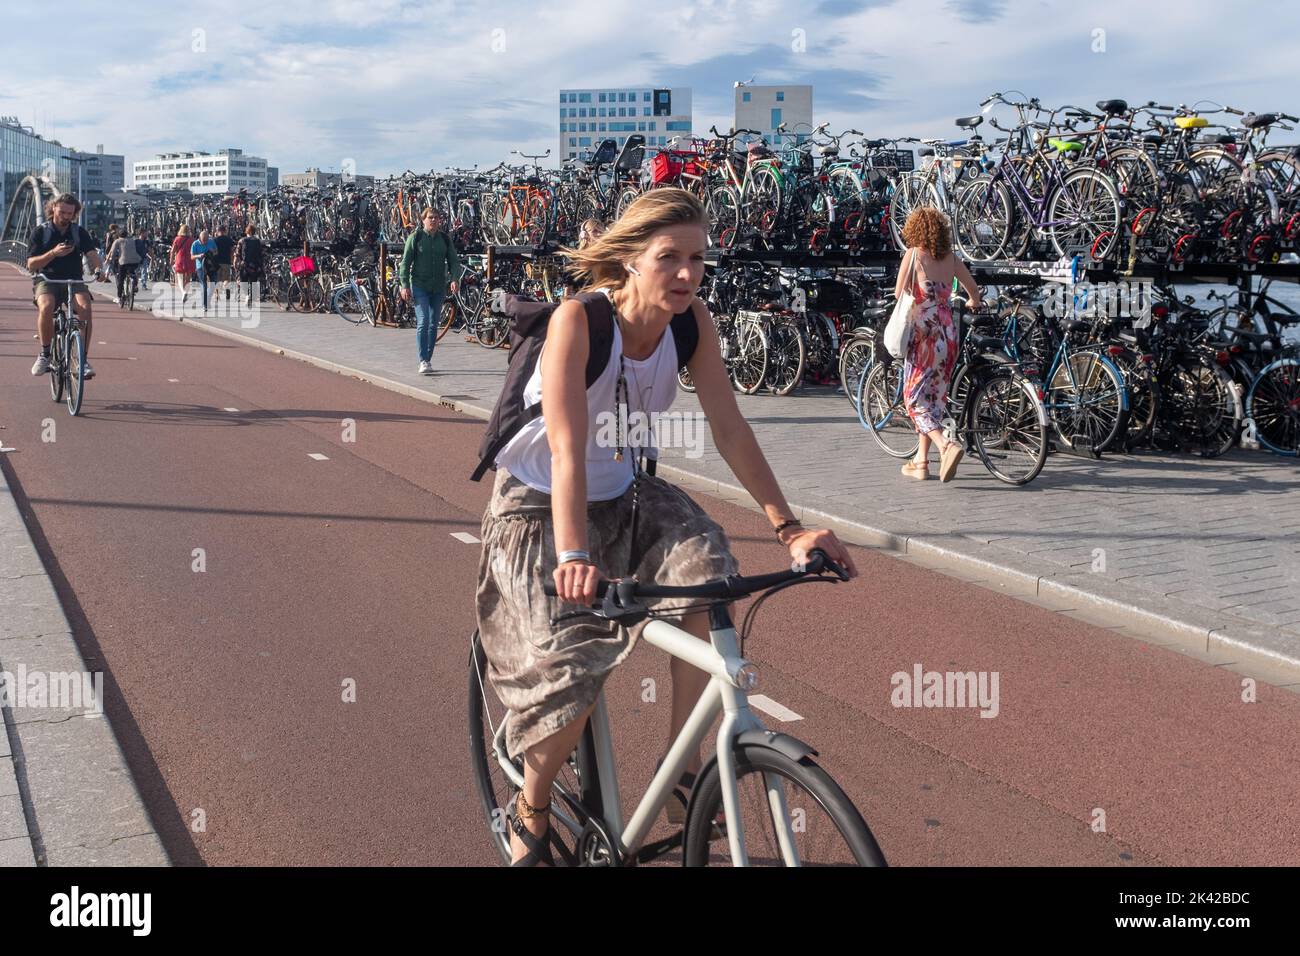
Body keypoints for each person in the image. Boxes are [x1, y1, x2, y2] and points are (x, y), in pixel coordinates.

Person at [475, 188, 859, 865]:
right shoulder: (579, 321)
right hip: (538, 505)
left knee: (709, 571)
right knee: (572, 658)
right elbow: (566, 449)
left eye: (698, 259)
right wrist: (573, 551)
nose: (686, 275)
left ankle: (682, 778)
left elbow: (730, 427)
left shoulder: (691, 322)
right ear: (628, 260)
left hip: (624, 493)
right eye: (669, 258)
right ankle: (529, 808)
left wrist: (789, 528)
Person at [895, 207, 982, 482]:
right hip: (948, 333)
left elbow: (900, 293)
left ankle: (946, 444)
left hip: (924, 334)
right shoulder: (952, 259)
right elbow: (974, 293)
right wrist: (971, 303)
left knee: (913, 399)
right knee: (932, 398)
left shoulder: (913, 256)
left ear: (914, 230)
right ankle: (921, 462)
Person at [25, 193, 107, 379]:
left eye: (70, 213)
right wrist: (53, 253)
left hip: (74, 279)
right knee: (46, 307)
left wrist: (99, 270)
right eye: (62, 212)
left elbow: (92, 254)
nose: (66, 216)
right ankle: (45, 354)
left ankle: (82, 359)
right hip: (47, 279)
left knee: (85, 307)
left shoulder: (79, 232)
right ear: (53, 208)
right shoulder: (41, 232)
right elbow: (31, 264)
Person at [398, 207, 461, 375]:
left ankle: (428, 358)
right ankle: (423, 360)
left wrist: (455, 278)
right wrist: (404, 285)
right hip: (420, 285)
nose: (434, 220)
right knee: (423, 321)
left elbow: (454, 261)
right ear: (423, 220)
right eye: (430, 217)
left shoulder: (444, 240)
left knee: (434, 324)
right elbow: (405, 263)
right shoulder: (415, 238)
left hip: (438, 287)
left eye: (436, 217)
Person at [107, 227, 143, 304]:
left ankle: (119, 297)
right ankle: (134, 284)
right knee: (132, 272)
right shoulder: (132, 240)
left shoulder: (117, 241)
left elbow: (112, 253)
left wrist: (111, 260)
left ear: (119, 235)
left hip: (123, 262)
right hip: (135, 261)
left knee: (121, 279)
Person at [233, 224, 265, 309]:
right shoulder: (258, 241)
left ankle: (247, 296)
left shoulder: (242, 240)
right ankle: (251, 296)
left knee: (244, 281)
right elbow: (262, 253)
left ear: (246, 231)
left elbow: (237, 253)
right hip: (255, 265)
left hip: (245, 264)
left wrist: (235, 262)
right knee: (253, 281)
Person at [190, 228, 218, 310]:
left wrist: (212, 251)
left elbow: (216, 251)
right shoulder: (195, 244)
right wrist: (199, 255)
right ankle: (205, 305)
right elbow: (191, 257)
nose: (205, 242)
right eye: (203, 240)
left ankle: (207, 298)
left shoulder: (211, 241)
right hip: (200, 267)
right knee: (204, 285)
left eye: (206, 240)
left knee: (214, 283)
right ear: (200, 238)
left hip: (211, 265)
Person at [171, 225, 195, 304]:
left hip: (180, 259)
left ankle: (183, 292)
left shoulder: (177, 239)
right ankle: (186, 291)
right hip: (189, 259)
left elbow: (173, 251)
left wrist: (171, 260)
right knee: (188, 277)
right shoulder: (191, 239)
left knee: (179, 278)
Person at [212, 224, 236, 302]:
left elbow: (212, 251)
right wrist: (232, 259)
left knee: (217, 280)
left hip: (217, 262)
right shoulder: (229, 240)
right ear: (225, 231)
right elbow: (232, 250)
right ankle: (226, 289)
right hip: (226, 261)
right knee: (226, 278)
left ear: (218, 231)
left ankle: (217, 295)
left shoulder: (215, 240)